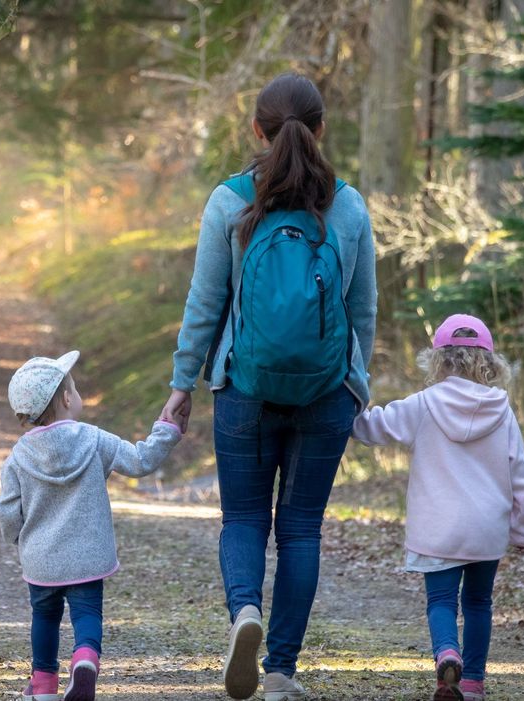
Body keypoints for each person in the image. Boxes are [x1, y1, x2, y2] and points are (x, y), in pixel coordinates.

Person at [161, 71, 377, 701]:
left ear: (256, 128)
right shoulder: (351, 205)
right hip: (326, 392)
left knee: (245, 519)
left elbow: (205, 304)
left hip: (244, 390)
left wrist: (183, 383)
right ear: (321, 128)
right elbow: (361, 312)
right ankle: (281, 671)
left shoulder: (230, 201)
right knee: (302, 528)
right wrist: (359, 386)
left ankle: (244, 613)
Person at [351, 314, 524, 701]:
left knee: (441, 601)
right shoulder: (502, 410)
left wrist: (348, 400)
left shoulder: (423, 405)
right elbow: (519, 471)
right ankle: (472, 684)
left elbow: (370, 428)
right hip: (487, 529)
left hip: (437, 529)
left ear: (438, 360)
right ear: (488, 363)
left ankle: (447, 655)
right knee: (479, 603)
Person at [0, 350, 183, 701]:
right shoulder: (95, 439)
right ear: (68, 398)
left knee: (45, 618)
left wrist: (19, 539)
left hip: (42, 560)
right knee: (87, 615)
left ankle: (44, 685)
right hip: (88, 557)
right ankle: (84, 661)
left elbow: (8, 509)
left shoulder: (19, 456)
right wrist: (167, 430)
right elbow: (141, 460)